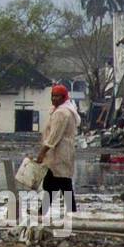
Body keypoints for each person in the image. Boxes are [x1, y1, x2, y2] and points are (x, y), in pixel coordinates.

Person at [35, 83, 79, 213]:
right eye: (53, 96)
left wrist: (42, 152)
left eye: (57, 96)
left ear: (64, 97)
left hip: (59, 153)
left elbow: (54, 136)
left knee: (56, 183)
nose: (54, 99)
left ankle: (44, 212)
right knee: (59, 183)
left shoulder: (62, 113)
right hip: (61, 153)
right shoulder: (64, 110)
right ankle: (68, 211)